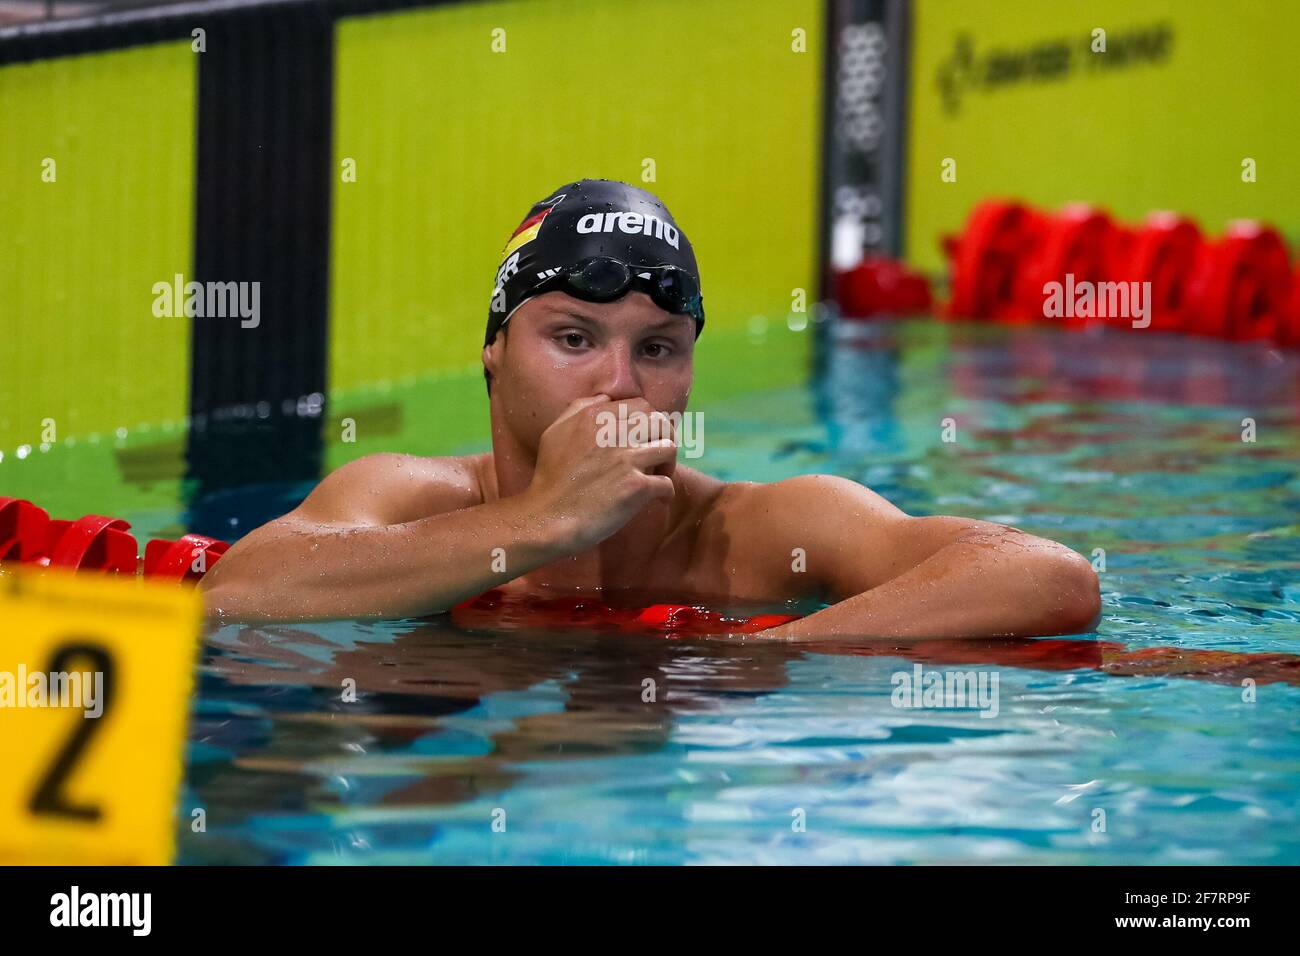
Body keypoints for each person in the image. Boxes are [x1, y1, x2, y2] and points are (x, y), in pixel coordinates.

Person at [200, 179, 1100, 638]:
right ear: (494, 351)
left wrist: (771, 653)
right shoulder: (408, 496)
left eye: (658, 348)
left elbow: (1049, 576)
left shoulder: (761, 530)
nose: (619, 382)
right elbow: (237, 593)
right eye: (575, 338)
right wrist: (545, 522)